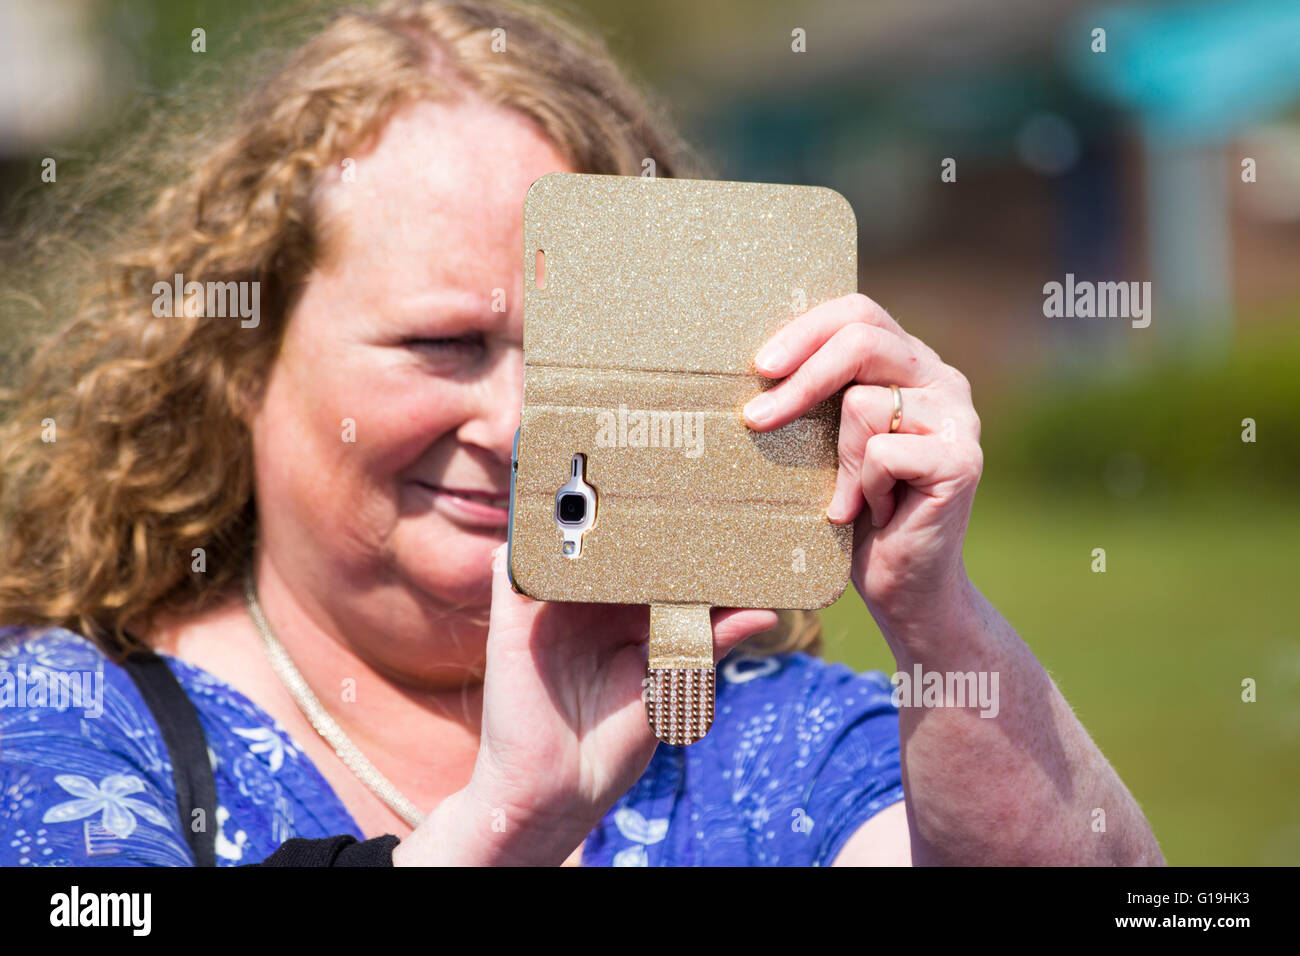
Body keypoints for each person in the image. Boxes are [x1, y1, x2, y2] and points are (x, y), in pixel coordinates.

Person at [0, 0, 1163, 866]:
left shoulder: (750, 733)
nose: (515, 425)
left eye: (569, 357)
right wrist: (509, 823)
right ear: (241, 361)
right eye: (443, 345)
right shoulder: (71, 725)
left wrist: (934, 612)